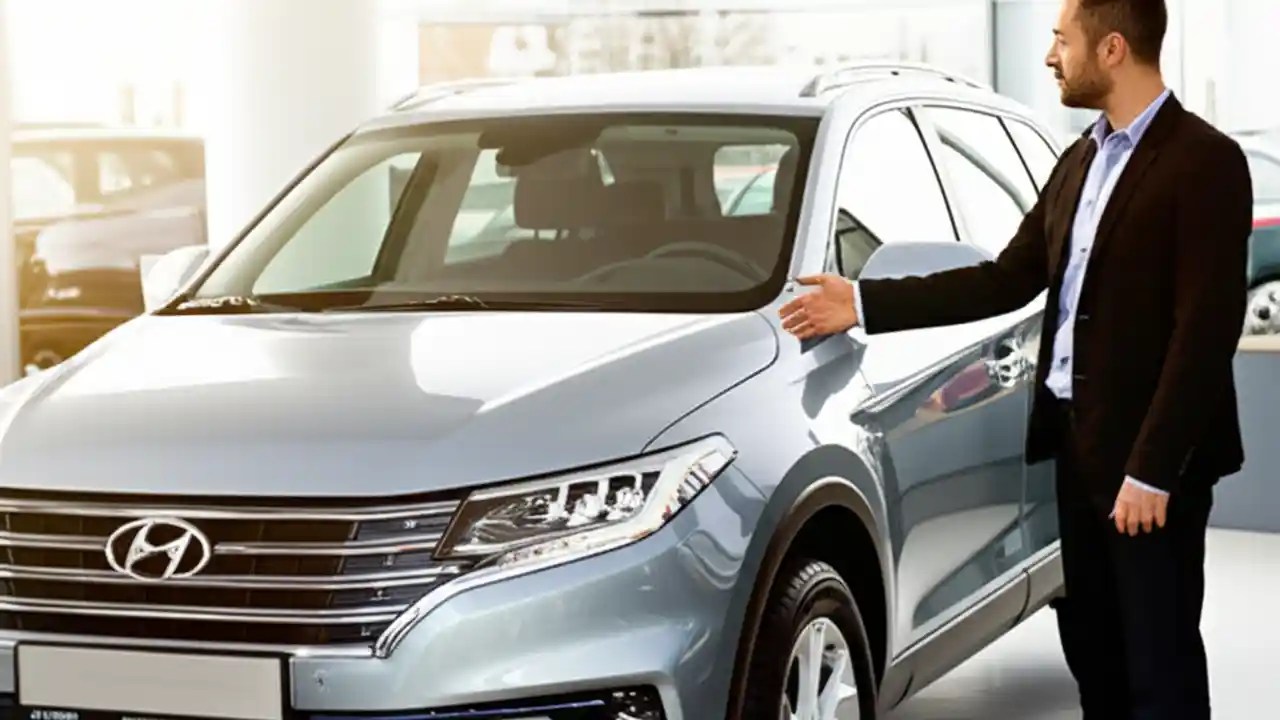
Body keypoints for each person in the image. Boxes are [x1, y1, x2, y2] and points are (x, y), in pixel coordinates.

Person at [777, 0, 1253, 717]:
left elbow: (1205, 332)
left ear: (1113, 48)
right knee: (1097, 658)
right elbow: (1005, 278)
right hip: (1076, 448)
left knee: (1161, 667)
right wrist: (864, 302)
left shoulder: (1207, 162)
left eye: (1063, 40)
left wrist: (1153, 471)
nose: (1050, 56)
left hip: (1149, 470)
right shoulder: (1080, 162)